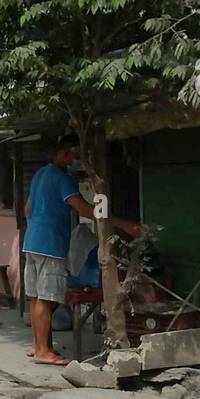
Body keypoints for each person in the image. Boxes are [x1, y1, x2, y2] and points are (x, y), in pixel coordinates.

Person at [23, 135, 141, 365]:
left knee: (36, 298)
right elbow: (85, 211)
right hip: (50, 245)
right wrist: (122, 223)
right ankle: (43, 351)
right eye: (71, 153)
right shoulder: (61, 178)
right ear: (62, 154)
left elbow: (27, 209)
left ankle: (37, 345)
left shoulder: (39, 175)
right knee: (46, 299)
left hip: (31, 242)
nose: (74, 158)